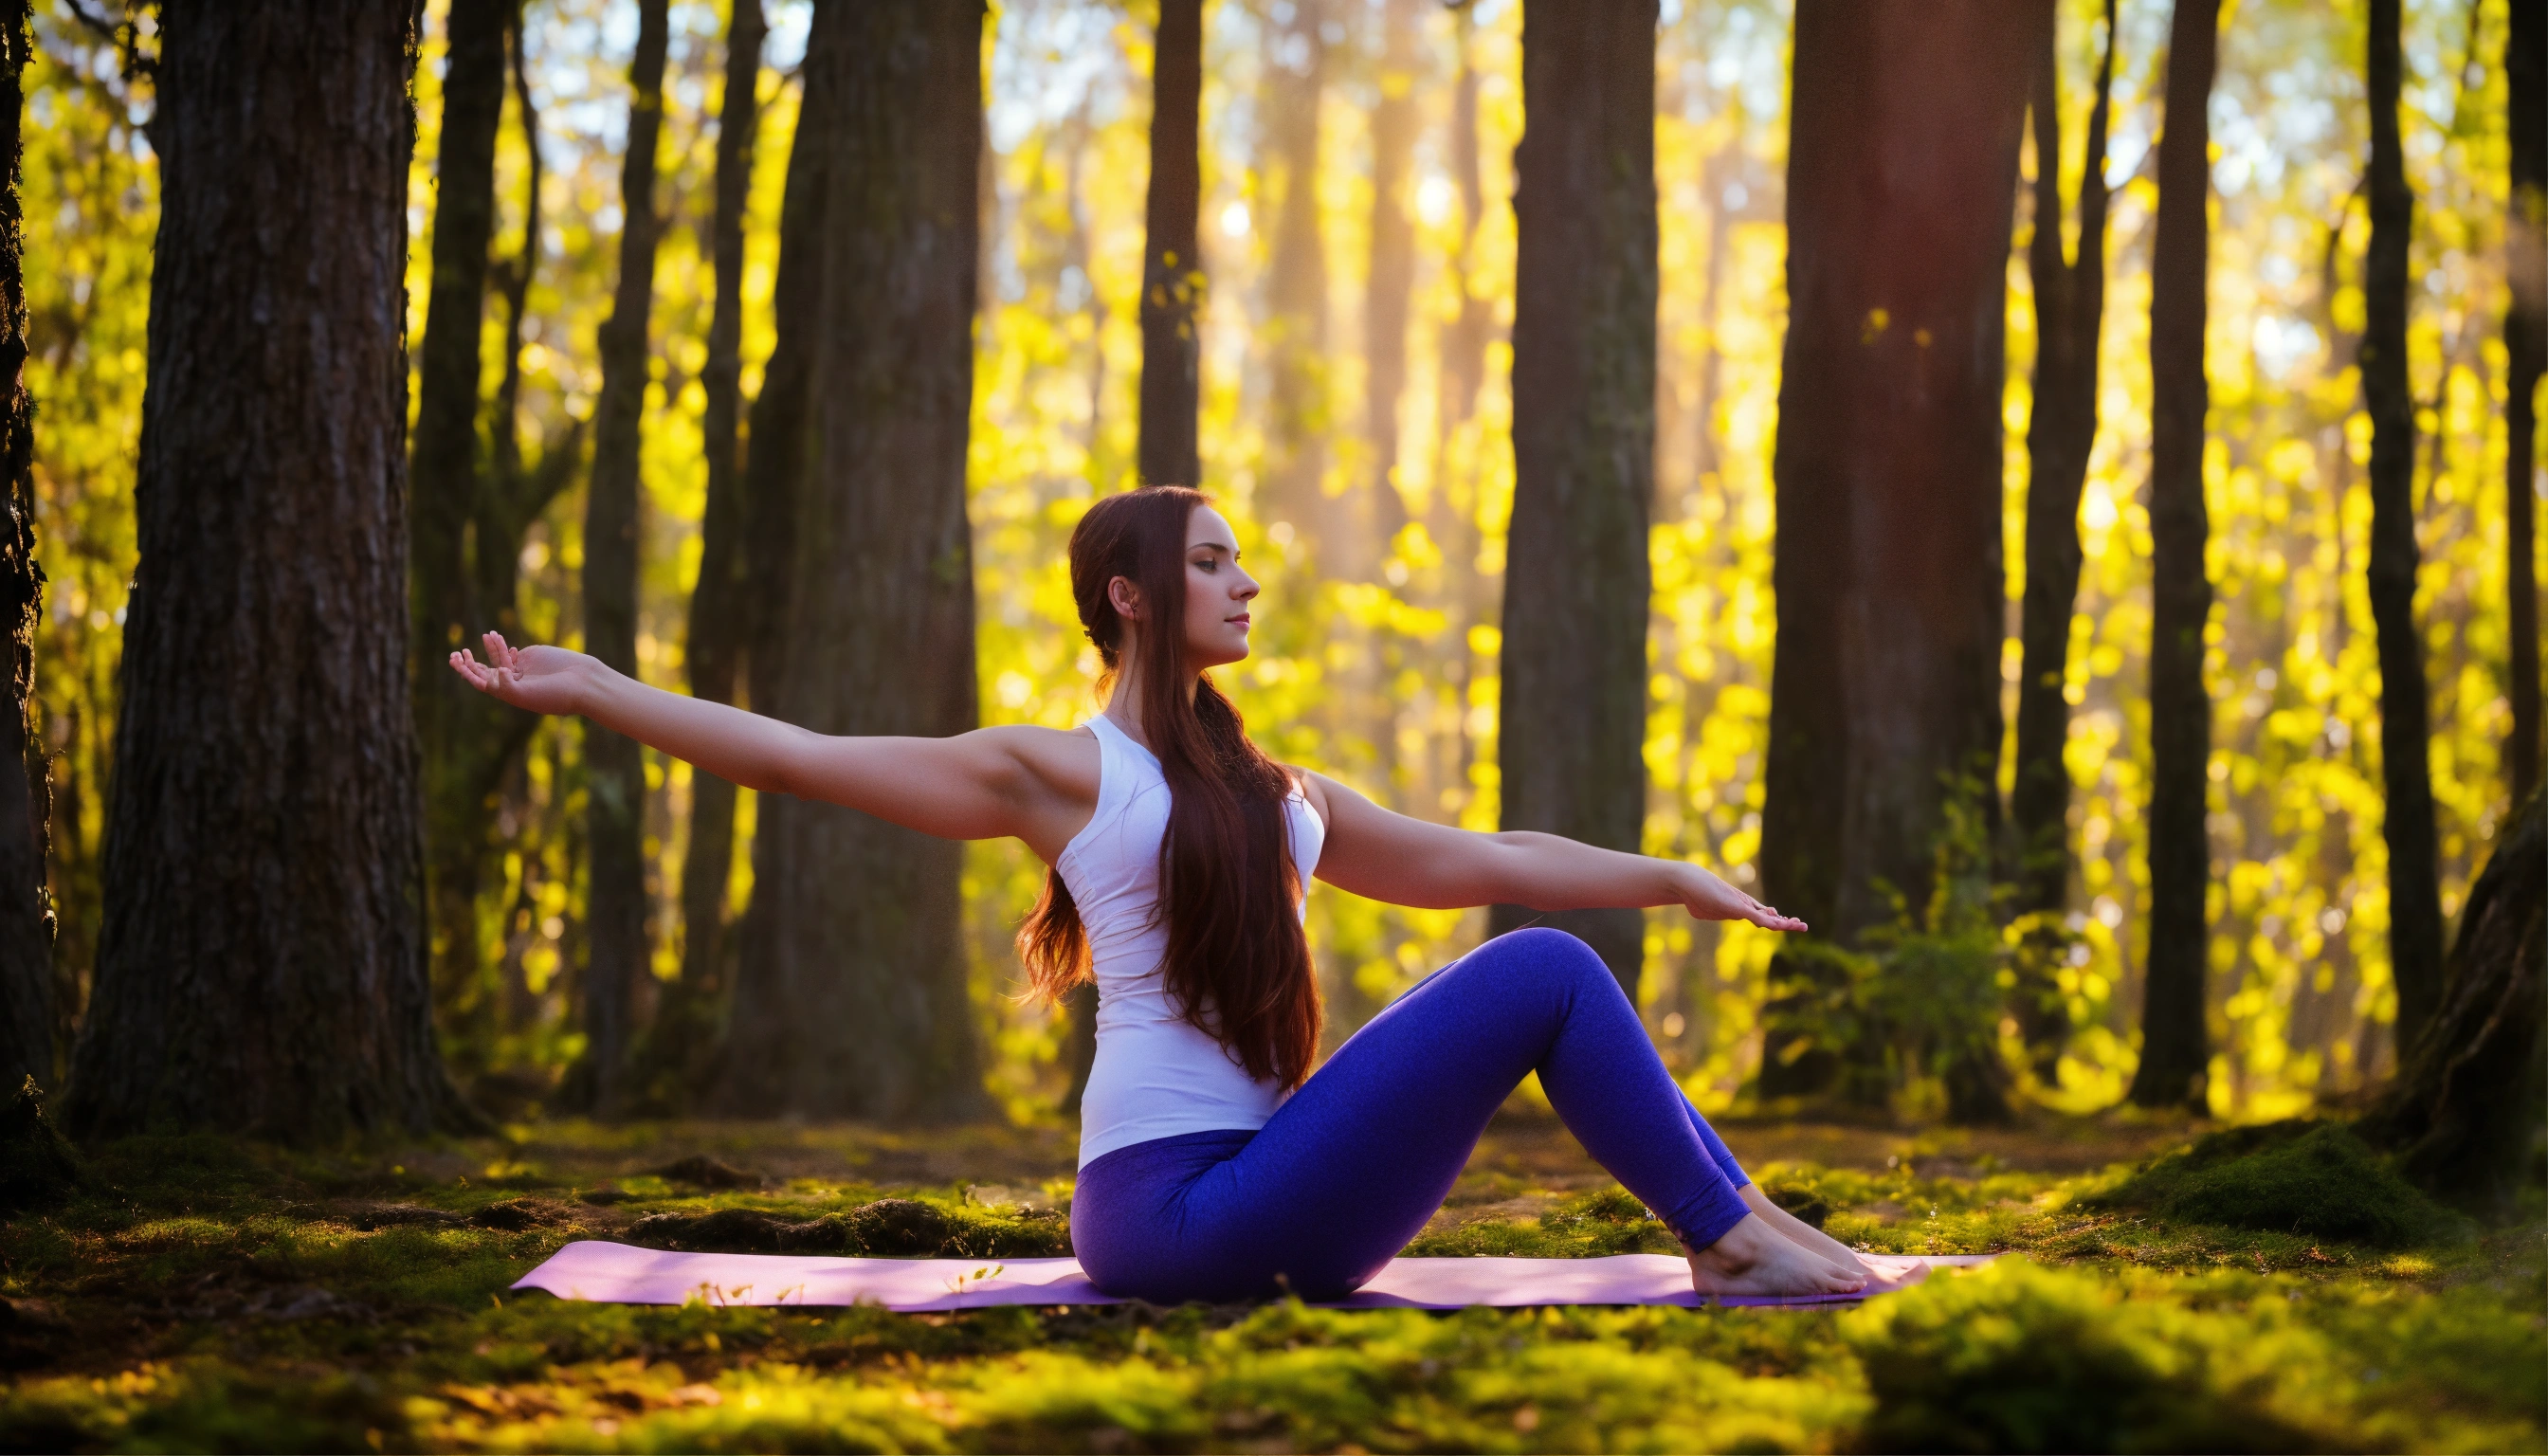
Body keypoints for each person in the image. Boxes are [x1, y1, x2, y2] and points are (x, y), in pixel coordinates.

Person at [450, 485, 1868, 1301]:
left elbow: (1484, 860)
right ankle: (1734, 1244)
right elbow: (802, 761)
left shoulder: (1282, 796)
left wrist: (1674, 879)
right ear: (1129, 595)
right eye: (1210, 561)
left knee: (1544, 953)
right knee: (1548, 969)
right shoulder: (1063, 775)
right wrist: (597, 689)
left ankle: (1756, 1230)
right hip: (1164, 1212)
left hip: (1276, 1193)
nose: (1246, 584)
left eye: (1239, 560)